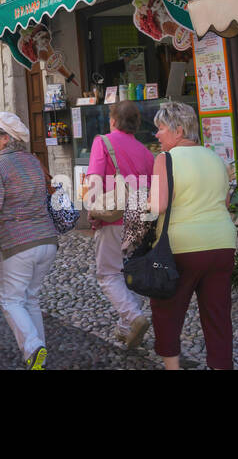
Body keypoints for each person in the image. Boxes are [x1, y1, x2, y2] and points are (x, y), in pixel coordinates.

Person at [147, 101, 236, 370]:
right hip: (222, 245)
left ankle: (173, 367)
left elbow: (158, 205)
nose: (157, 134)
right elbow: (226, 203)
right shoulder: (216, 158)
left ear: (179, 130)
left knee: (167, 310)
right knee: (218, 315)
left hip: (181, 248)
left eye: (161, 128)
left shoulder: (165, 160)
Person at [0, 112, 57, 369]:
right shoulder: (33, 161)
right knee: (30, 298)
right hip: (47, 241)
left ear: (7, 139)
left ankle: (33, 346)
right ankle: (36, 357)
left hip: (19, 243)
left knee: (10, 299)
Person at [86, 99, 155, 349]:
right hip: (139, 219)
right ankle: (126, 328)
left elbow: (94, 180)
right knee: (131, 272)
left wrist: (93, 211)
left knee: (107, 273)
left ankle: (134, 318)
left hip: (113, 218)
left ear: (113, 121)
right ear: (136, 125)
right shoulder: (147, 153)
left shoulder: (102, 142)